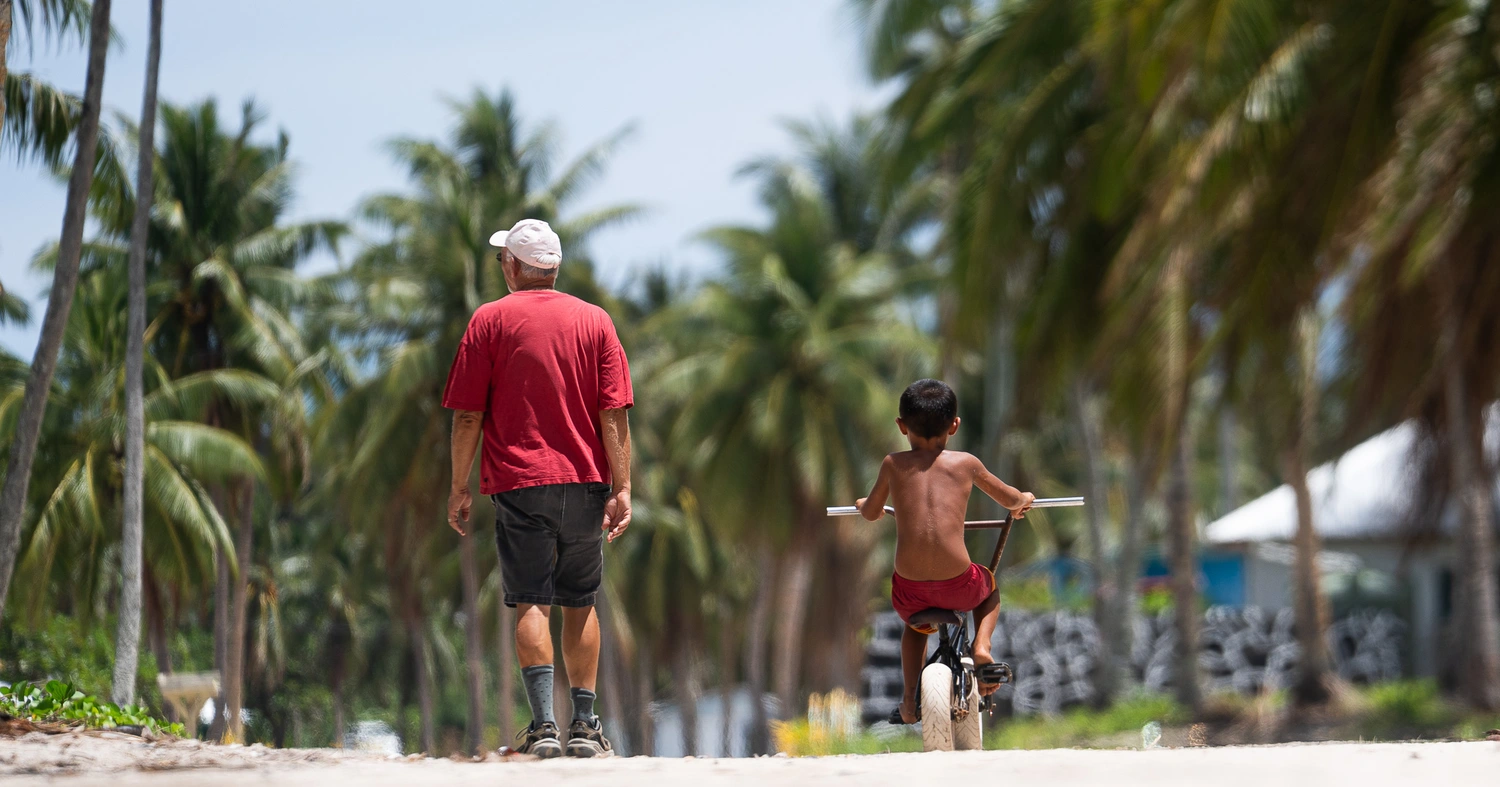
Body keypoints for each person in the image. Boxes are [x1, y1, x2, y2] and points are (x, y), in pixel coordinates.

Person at [444, 218, 633, 758]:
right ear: (552, 267)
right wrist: (624, 488)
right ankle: (586, 727)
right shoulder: (596, 321)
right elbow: (613, 414)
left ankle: (544, 727)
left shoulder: (489, 321)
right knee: (580, 600)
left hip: (521, 483)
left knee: (532, 600)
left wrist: (459, 486)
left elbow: (466, 416)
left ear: (512, 265)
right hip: (587, 482)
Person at [855, 378, 1034, 725]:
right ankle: (982, 647)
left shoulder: (893, 464)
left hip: (911, 591)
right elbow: (1012, 499)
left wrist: (865, 503)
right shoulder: (965, 463)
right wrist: (1023, 501)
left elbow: (872, 512)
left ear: (901, 425)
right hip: (959, 583)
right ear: (954, 425)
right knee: (990, 586)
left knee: (914, 626)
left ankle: (909, 701)